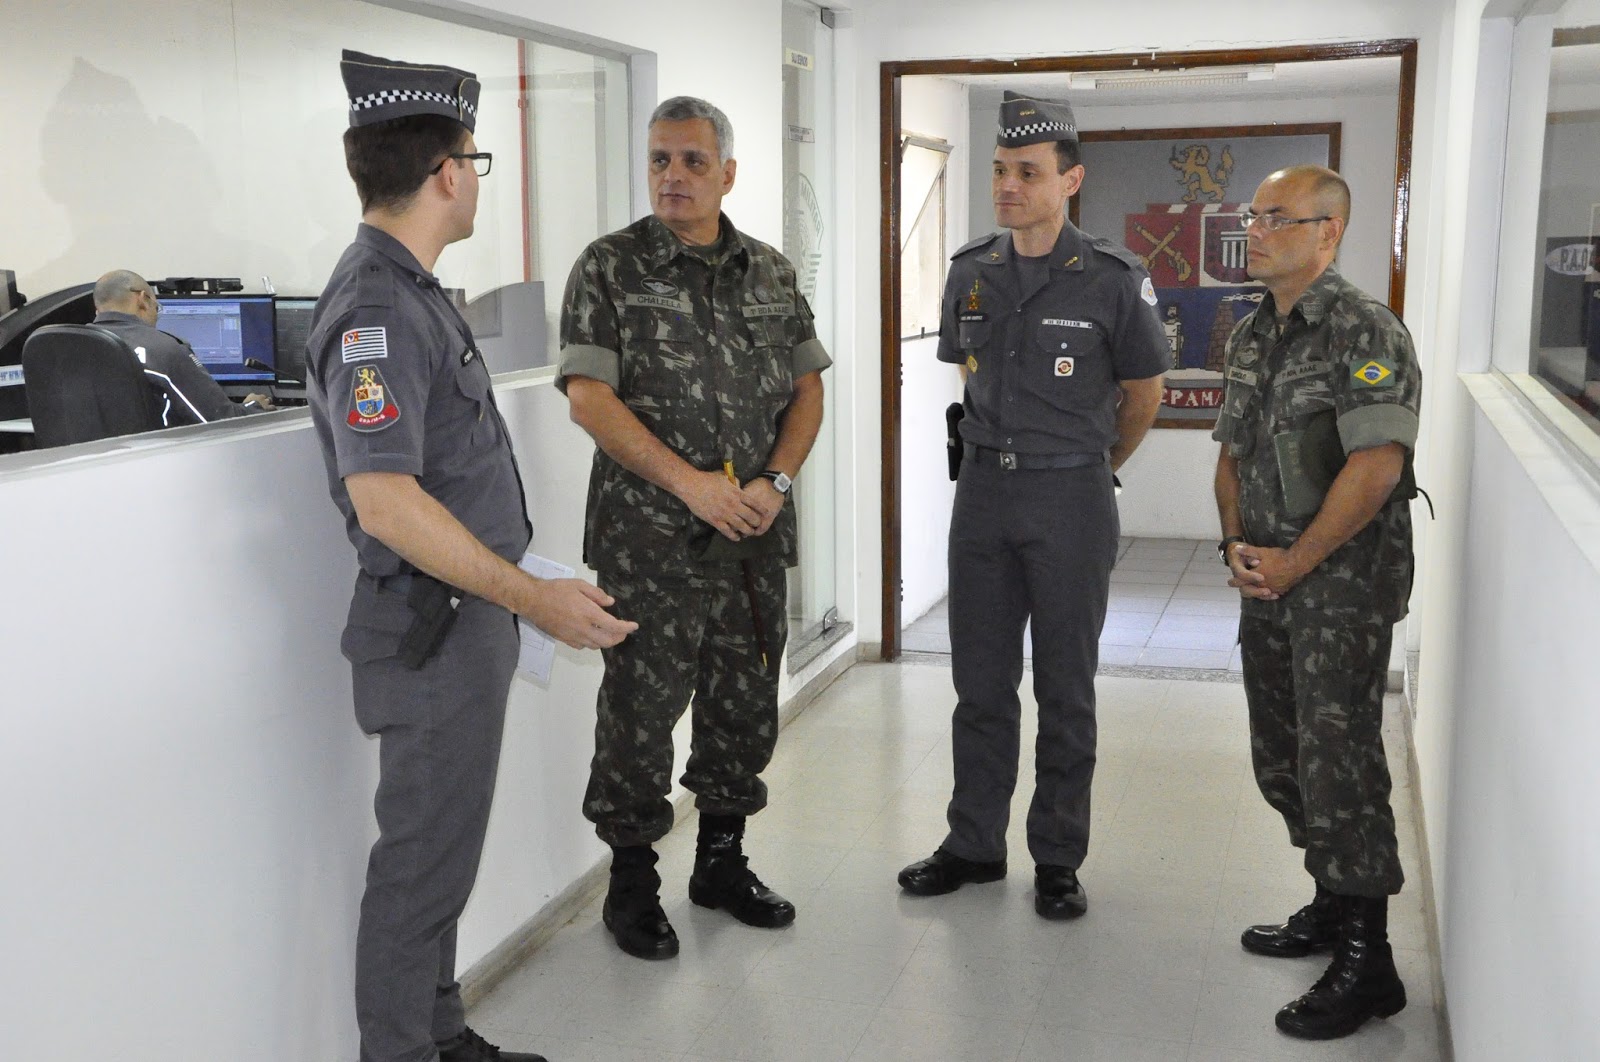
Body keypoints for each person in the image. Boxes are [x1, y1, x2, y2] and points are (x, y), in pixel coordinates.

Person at [305, 49, 636, 1062]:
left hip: (464, 618)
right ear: (448, 170)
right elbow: (387, 501)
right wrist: (531, 600)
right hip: (431, 631)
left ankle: (439, 1035)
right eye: (477, 159)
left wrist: (525, 589)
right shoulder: (374, 305)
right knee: (418, 866)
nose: (478, 179)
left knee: (441, 854)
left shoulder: (415, 290)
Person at [557, 96, 829, 960]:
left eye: (692, 162)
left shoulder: (772, 274)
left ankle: (720, 861)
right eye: (660, 161)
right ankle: (632, 881)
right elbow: (589, 398)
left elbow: (808, 389)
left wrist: (774, 483)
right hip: (649, 543)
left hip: (752, 537)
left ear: (728, 173)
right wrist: (693, 488)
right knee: (639, 712)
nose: (673, 177)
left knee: (743, 706)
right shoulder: (609, 268)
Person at [898, 92, 1167, 919]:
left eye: (1027, 172)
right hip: (982, 494)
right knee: (980, 685)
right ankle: (974, 843)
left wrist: (1087, 465)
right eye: (999, 171)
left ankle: (1056, 855)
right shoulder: (971, 270)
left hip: (1070, 497)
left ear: (1070, 179)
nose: (1007, 187)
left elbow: (1143, 395)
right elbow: (967, 373)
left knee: (1065, 687)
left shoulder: (1115, 280)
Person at [1212, 164, 1421, 1040]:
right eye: (1253, 216)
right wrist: (1238, 548)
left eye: (1276, 218)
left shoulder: (1364, 329)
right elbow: (1230, 453)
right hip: (1271, 578)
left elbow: (1377, 466)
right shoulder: (1254, 331)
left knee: (1340, 759)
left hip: (1339, 585)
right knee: (1283, 755)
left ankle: (1370, 961)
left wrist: (1296, 562)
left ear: (1327, 233)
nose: (1254, 231)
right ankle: (1332, 903)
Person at [90, 269, 273, 425]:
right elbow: (217, 421)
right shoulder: (163, 349)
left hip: (78, 463)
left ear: (98, 309)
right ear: (142, 300)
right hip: (155, 460)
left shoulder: (67, 346)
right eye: (156, 307)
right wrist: (252, 406)